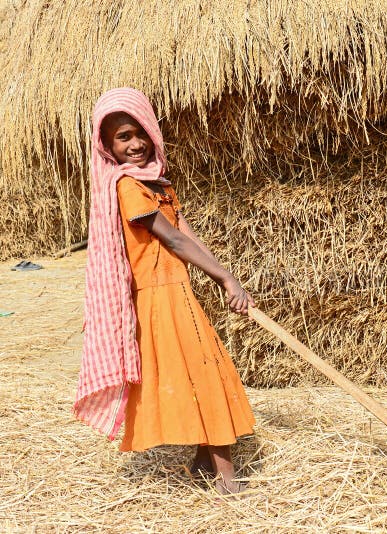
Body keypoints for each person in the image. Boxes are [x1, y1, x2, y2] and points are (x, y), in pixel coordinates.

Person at [74, 88, 255, 495]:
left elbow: (187, 234)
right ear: (107, 145)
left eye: (140, 132)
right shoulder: (127, 188)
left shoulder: (157, 185)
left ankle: (203, 464)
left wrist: (223, 276)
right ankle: (227, 480)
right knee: (204, 375)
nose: (135, 143)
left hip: (178, 292)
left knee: (200, 372)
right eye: (123, 137)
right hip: (158, 298)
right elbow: (173, 241)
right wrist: (227, 279)